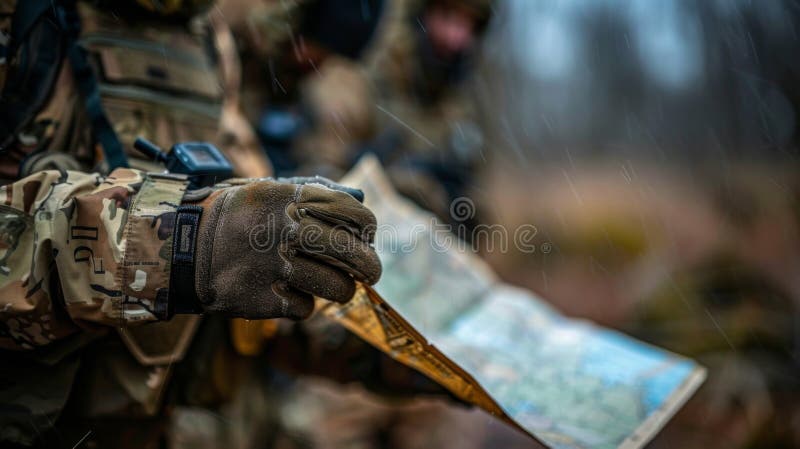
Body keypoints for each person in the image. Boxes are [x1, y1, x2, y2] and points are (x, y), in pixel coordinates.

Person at [0, 1, 382, 447]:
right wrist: (178, 245)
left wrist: (376, 348)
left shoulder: (205, 38)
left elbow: (246, 249)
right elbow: (206, 240)